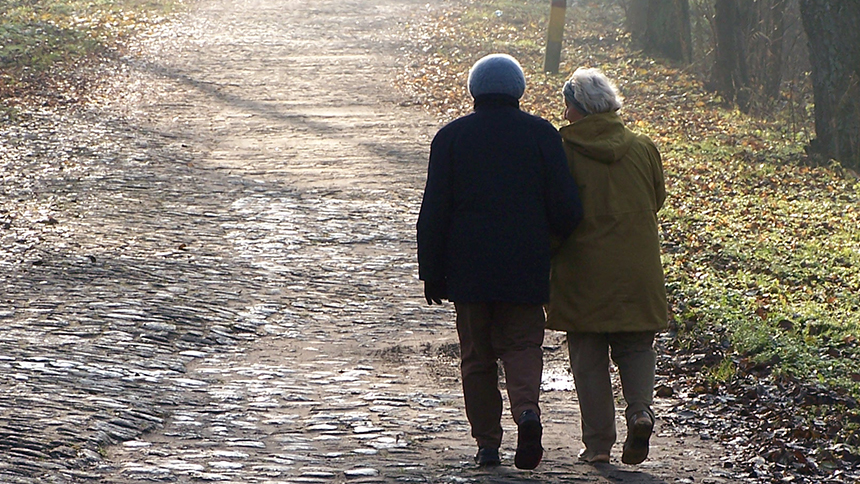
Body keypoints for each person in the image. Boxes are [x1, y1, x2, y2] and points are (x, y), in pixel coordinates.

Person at [417, 53, 583, 470]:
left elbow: (433, 212)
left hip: (468, 268)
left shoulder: (451, 137)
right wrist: (550, 244)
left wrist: (432, 273)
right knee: (523, 345)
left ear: (474, 90)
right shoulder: (542, 135)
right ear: (519, 90)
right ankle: (527, 413)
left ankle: (487, 444)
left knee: (477, 356)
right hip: (525, 264)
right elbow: (566, 207)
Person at [546, 67, 668, 466]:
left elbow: (556, 210)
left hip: (584, 268)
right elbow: (658, 197)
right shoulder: (643, 146)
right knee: (635, 346)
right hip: (638, 266)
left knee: (587, 354)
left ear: (578, 108)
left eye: (568, 106)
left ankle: (598, 444)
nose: (564, 115)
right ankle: (640, 411)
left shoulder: (563, 150)